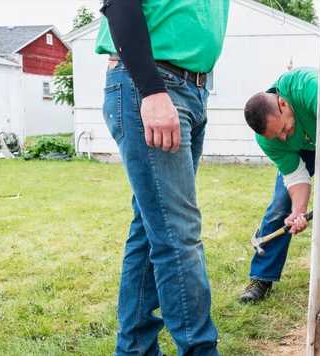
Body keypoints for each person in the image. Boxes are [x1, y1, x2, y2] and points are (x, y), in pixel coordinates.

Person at [95, 1, 229, 354]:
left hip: (190, 90)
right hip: (154, 85)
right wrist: (152, 91)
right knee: (178, 235)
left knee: (151, 229)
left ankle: (134, 348)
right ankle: (201, 349)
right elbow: (120, 4)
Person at [240, 67, 318, 303]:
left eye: (283, 129)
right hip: (303, 151)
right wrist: (298, 212)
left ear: (283, 104)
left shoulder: (307, 86)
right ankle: (261, 277)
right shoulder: (269, 139)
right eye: (277, 136)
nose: (283, 137)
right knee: (280, 207)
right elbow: (295, 176)